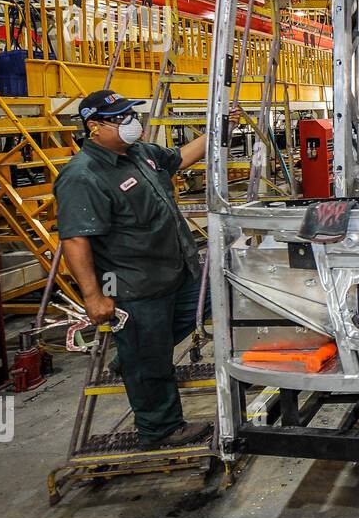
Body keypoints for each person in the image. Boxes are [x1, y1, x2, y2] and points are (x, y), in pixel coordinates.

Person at [54, 90, 233, 449]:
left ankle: (131, 354)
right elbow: (75, 240)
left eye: (130, 115)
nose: (131, 123)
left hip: (176, 270)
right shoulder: (82, 176)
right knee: (150, 361)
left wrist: (217, 126)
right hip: (134, 284)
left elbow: (179, 159)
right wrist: (92, 296)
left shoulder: (139, 154)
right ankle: (161, 429)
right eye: (121, 118)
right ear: (94, 127)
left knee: (216, 300)